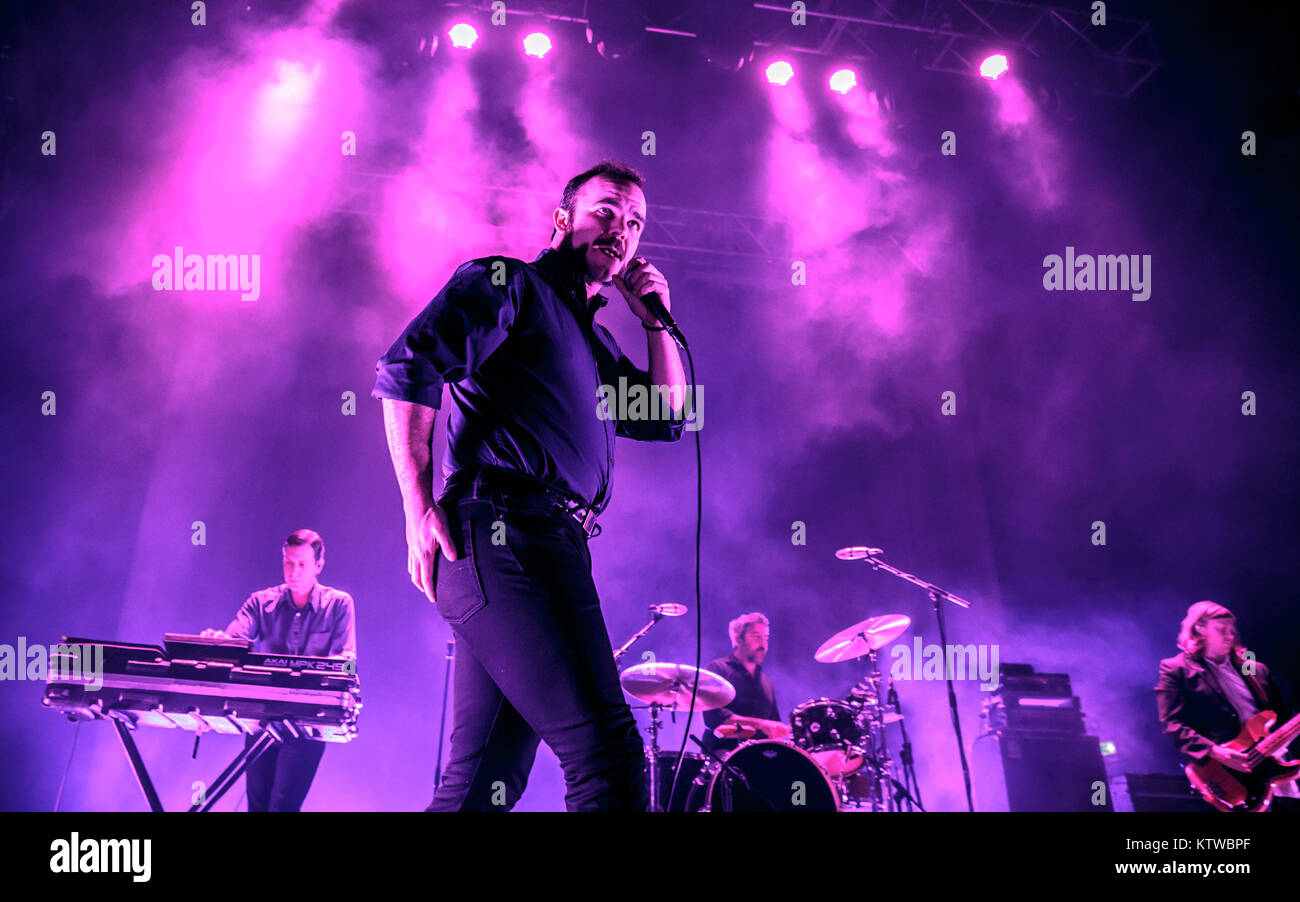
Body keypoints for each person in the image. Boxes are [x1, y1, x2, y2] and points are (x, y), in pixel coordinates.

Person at [372, 160, 688, 811]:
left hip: (545, 542)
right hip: (505, 531)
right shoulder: (508, 282)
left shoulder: (593, 341)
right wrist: (415, 508)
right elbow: (409, 365)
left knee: (482, 783)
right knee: (609, 757)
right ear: (562, 219)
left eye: (635, 223)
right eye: (605, 211)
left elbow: (667, 415)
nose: (621, 230)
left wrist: (655, 321)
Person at [201, 529, 357, 812]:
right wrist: (219, 642)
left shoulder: (338, 604)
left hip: (308, 722)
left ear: (318, 565)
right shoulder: (261, 602)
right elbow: (234, 640)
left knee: (283, 806)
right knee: (257, 805)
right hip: (261, 716)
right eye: (288, 563)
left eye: (302, 564)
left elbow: (348, 662)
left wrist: (328, 667)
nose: (293, 572)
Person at [1155, 600, 1298, 809]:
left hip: (1277, 764)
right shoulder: (1176, 669)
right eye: (1221, 629)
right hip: (1229, 776)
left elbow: (1282, 717)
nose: (1230, 635)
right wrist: (1216, 752)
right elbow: (1172, 724)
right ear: (1199, 629)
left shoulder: (1255, 668)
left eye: (1231, 630)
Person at [702, 613, 788, 757]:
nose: (763, 644)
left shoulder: (766, 681)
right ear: (738, 639)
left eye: (765, 637)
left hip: (760, 756)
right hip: (724, 753)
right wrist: (761, 724)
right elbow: (714, 717)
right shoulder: (718, 669)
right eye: (756, 636)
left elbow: (773, 726)